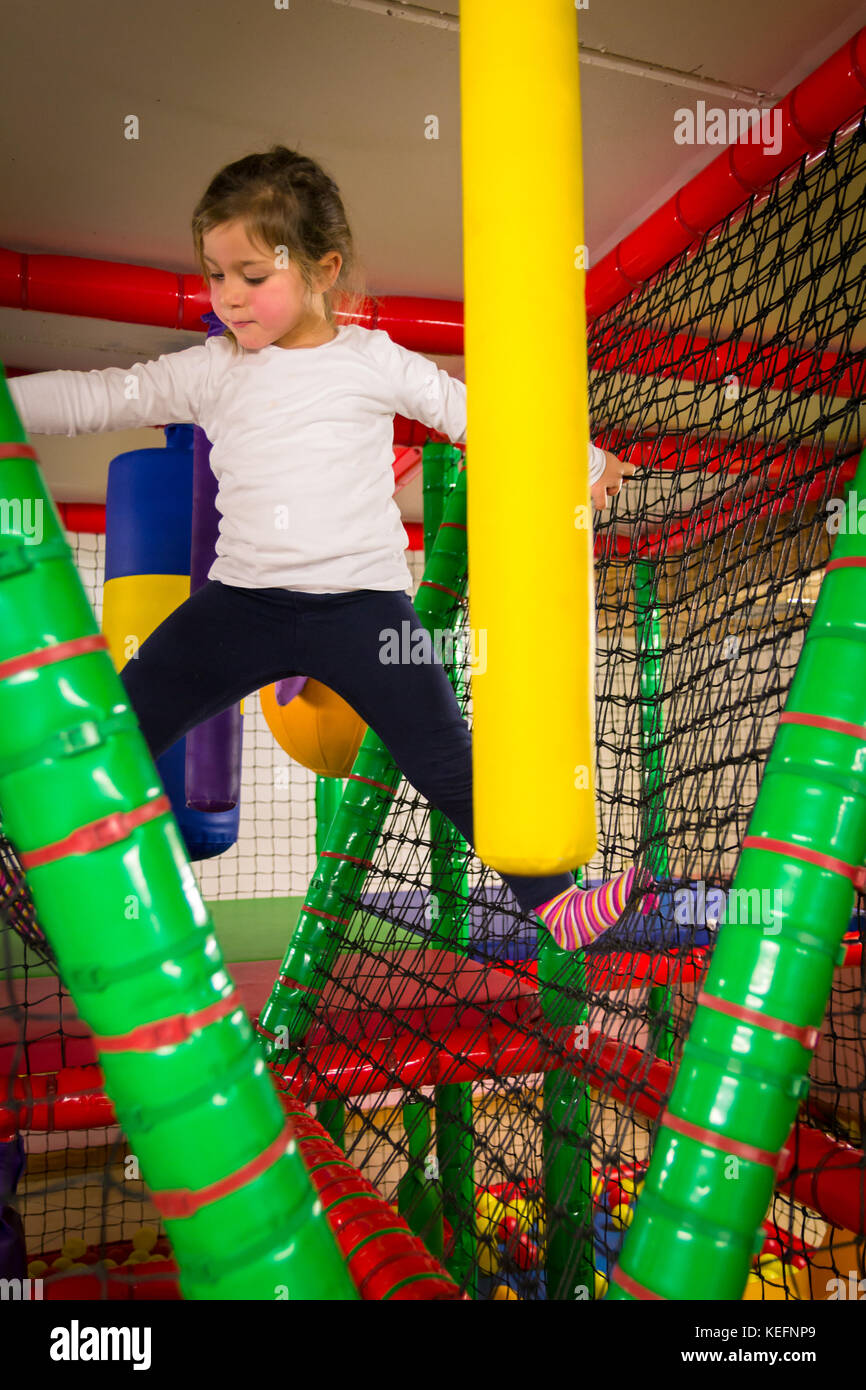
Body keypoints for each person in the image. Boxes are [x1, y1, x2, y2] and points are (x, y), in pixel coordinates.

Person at [9, 145, 642, 952]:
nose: (229, 298)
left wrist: (581, 463)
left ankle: (555, 904)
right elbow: (103, 395)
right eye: (214, 275)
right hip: (241, 604)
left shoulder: (370, 362)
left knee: (447, 760)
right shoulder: (214, 370)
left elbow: (481, 418)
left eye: (251, 275)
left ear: (322, 268)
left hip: (365, 612)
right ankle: (44, 855)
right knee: (130, 714)